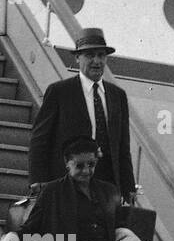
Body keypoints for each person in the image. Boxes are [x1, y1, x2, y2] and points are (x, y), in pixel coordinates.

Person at [28, 28, 136, 199]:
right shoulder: (60, 92)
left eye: (101, 55)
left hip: (107, 184)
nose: (96, 61)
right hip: (68, 181)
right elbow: (40, 140)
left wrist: (129, 188)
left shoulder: (118, 95)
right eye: (90, 55)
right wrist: (38, 181)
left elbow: (123, 148)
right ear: (77, 58)